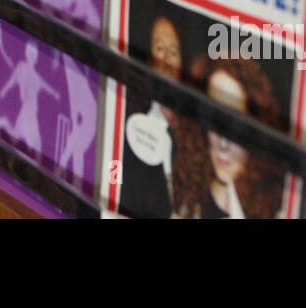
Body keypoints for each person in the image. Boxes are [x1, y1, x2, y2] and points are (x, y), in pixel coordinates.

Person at [173, 55, 287, 218]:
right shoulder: (188, 199)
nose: (223, 144)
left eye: (235, 122)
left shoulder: (279, 210)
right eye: (215, 117)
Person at [118, 13, 184, 218]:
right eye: (160, 49)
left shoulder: (194, 130)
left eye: (173, 52)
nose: (166, 60)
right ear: (148, 59)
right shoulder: (129, 121)